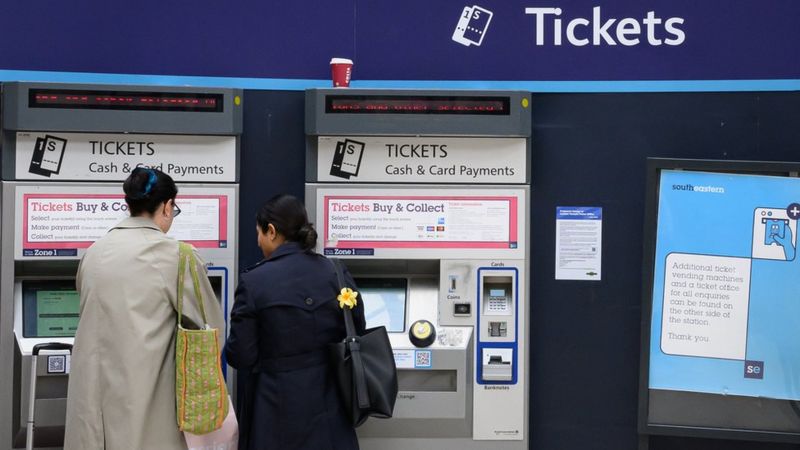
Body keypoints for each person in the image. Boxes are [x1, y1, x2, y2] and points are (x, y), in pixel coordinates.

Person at [64, 168, 225, 450]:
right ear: (167, 206)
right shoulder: (177, 255)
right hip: (149, 408)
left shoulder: (93, 252)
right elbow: (210, 331)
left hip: (92, 407)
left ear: (129, 205)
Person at [226, 194, 365, 450]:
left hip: (273, 412)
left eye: (258, 233)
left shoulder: (254, 282)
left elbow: (240, 356)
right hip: (331, 408)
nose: (258, 242)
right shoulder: (335, 271)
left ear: (271, 231)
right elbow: (358, 328)